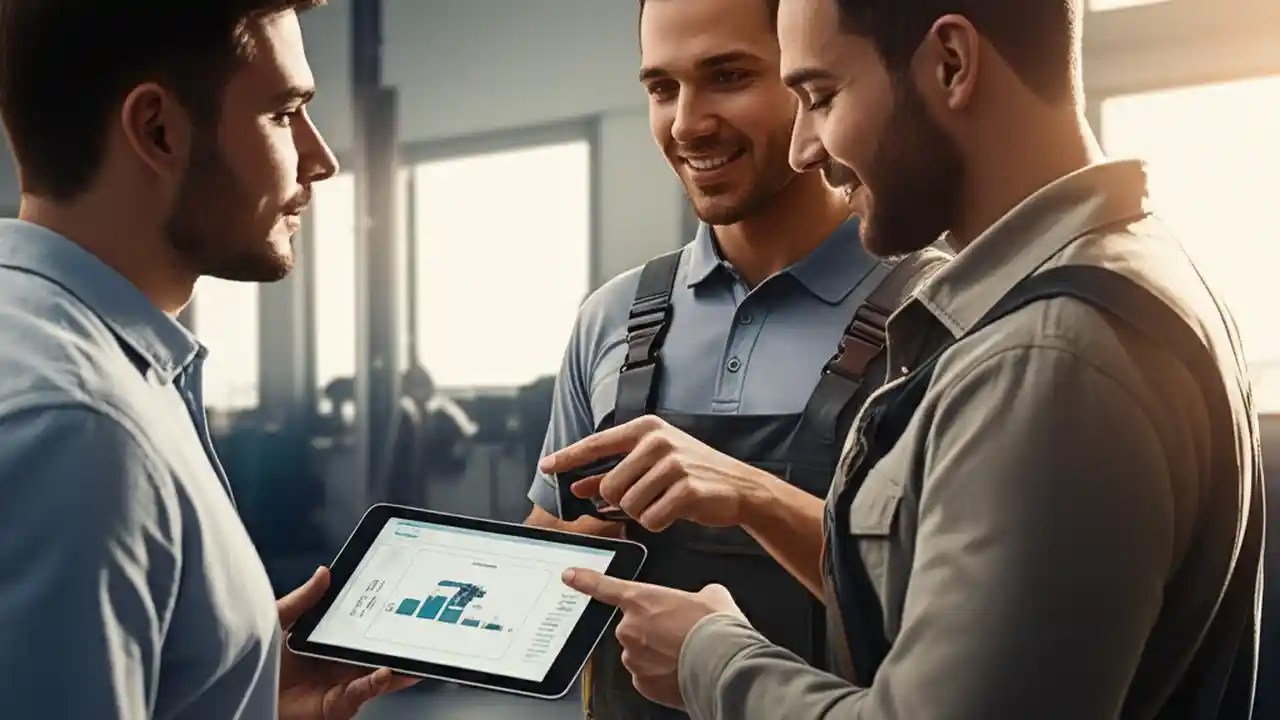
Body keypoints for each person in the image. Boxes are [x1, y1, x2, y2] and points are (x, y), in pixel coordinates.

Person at [559, 0, 1266, 718]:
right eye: (660, 88)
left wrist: (710, 656)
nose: (806, 147)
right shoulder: (1127, 277)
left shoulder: (1045, 356)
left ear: (952, 64)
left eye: (823, 97)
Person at [526, 0, 948, 717]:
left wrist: (750, 495)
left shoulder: (943, 315)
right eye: (662, 88)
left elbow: (955, 617)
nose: (687, 124)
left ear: (813, 82)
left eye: (728, 76)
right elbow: (549, 574)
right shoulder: (612, 318)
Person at [0, 1, 416, 717]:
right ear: (159, 130)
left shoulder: (84, 356)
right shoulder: (77, 427)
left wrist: (231, 680)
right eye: (285, 115)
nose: (321, 159)